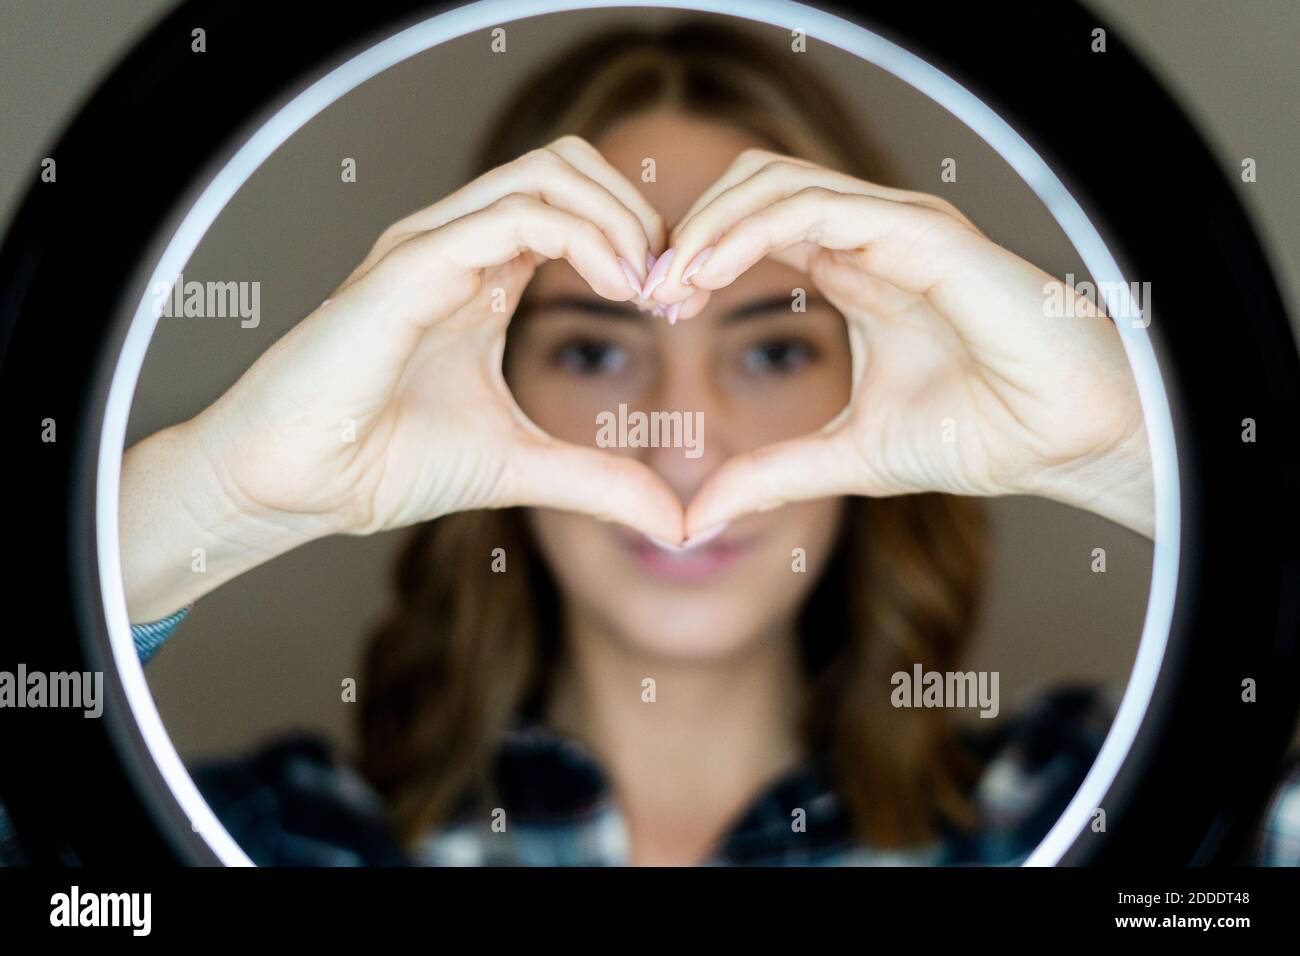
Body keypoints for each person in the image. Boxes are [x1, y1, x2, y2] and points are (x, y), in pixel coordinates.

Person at [5, 19, 1296, 867]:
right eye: (595, 347)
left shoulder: (1097, 813)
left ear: (872, 372)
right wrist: (210, 494)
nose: (686, 431)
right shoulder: (276, 842)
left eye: (774, 345)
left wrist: (1145, 451)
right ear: (488, 380)